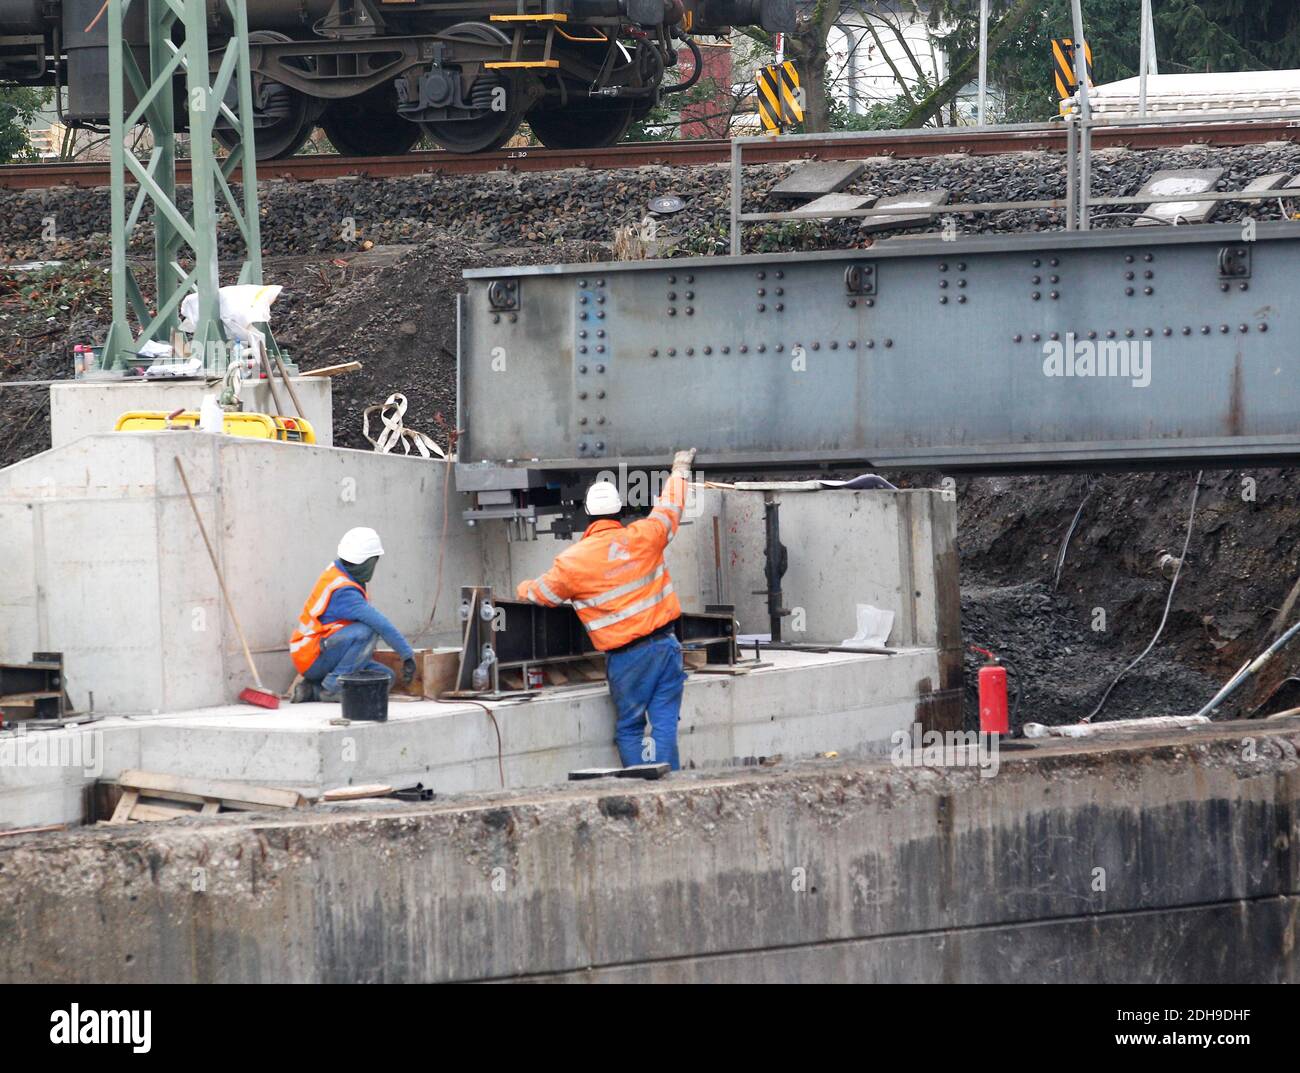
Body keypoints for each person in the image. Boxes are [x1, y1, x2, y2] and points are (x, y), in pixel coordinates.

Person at [517, 449, 696, 769]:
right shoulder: (646, 536)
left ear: (587, 515)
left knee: (630, 727)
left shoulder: (572, 563)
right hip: (667, 648)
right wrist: (679, 470)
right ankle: (669, 787)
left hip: (628, 659)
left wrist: (522, 588)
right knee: (665, 724)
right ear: (619, 511)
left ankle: (641, 789)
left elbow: (540, 594)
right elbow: (670, 509)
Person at [289, 527, 416, 702]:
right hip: (312, 657)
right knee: (367, 631)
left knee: (385, 678)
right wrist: (407, 655)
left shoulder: (341, 571)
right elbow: (380, 624)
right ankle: (333, 688)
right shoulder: (344, 591)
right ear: (368, 562)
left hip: (328, 652)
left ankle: (313, 691)